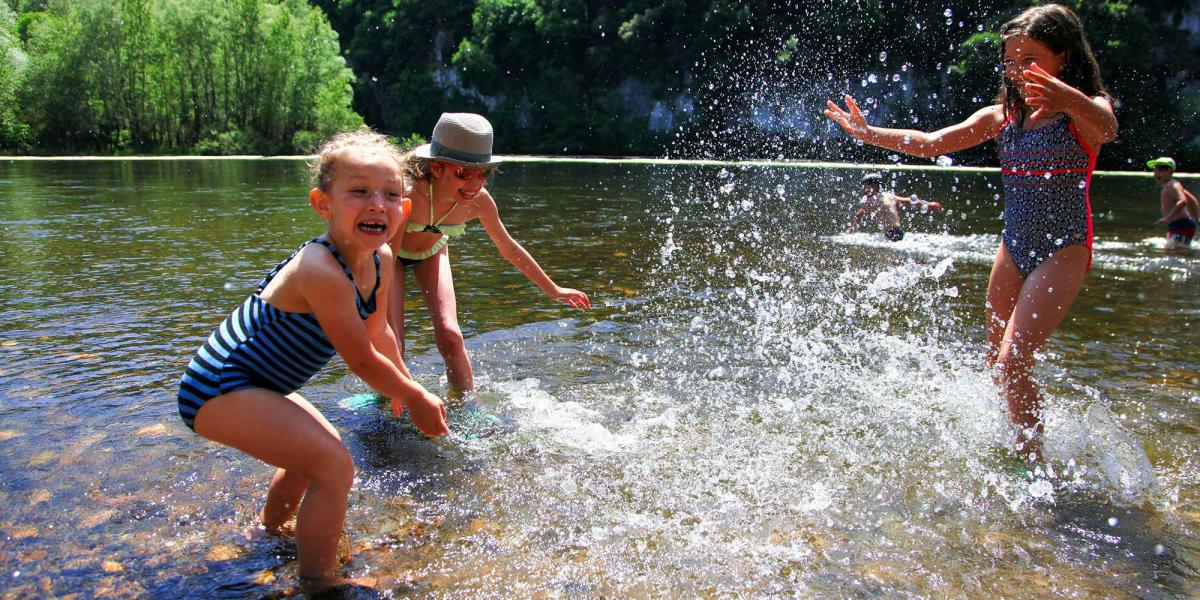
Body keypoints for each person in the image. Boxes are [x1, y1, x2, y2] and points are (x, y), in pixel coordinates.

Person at [825, 4, 1117, 460]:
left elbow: (1108, 127)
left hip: (1065, 249)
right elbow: (931, 143)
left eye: (1032, 60)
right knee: (995, 363)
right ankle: (1020, 441)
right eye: (1012, 62)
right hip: (1013, 246)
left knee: (1011, 361)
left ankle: (1032, 463)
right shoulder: (1001, 117)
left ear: (1064, 57)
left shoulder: (1082, 113)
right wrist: (868, 134)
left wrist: (1066, 97)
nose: (1020, 71)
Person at [176, 130, 449, 588]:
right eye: (359, 192)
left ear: (404, 209)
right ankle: (320, 583)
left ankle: (272, 535)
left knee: (313, 457)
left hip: (261, 384)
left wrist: (403, 384)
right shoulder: (320, 268)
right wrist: (416, 395)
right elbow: (359, 361)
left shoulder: (380, 258)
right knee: (335, 465)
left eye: (390, 194)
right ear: (323, 204)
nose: (377, 204)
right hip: (220, 384)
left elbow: (377, 331)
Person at [388, 112, 590, 392]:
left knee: (450, 335)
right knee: (393, 340)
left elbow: (508, 247)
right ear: (436, 168)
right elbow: (378, 247)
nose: (474, 184)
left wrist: (553, 289)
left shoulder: (479, 203)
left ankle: (466, 407)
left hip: (433, 252)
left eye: (483, 173)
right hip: (390, 258)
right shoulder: (408, 193)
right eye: (462, 174)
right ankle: (388, 402)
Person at [845, 172, 943, 241]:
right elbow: (909, 201)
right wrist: (929, 204)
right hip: (897, 231)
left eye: (865, 186)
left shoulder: (871, 200)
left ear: (874, 186)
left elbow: (859, 214)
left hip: (891, 233)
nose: (863, 189)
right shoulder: (888, 195)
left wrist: (851, 229)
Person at [1148, 156, 1199, 249]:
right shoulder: (1172, 185)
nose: (1158, 173)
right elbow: (1193, 200)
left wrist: (1167, 218)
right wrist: (1198, 218)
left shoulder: (1172, 185)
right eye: (1156, 169)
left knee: (1176, 251)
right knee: (1170, 249)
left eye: (1162, 169)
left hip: (1182, 224)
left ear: (1171, 171)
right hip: (1178, 225)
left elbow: (1183, 201)